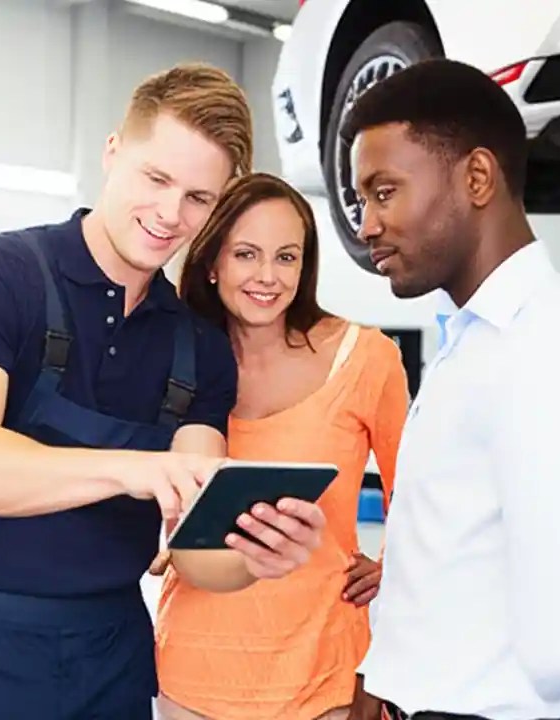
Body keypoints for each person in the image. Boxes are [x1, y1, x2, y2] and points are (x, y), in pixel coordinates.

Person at [0, 63, 329, 720]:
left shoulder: (199, 347)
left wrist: (259, 552)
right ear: (112, 153)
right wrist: (138, 469)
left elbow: (197, 544)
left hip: (115, 658)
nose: (169, 214)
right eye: (156, 178)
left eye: (198, 198)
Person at [341, 59, 560, 720]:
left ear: (477, 177)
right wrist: (384, 675)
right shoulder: (476, 340)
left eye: (384, 190)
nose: (366, 223)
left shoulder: (553, 346)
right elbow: (449, 549)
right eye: (362, 199)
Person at [150, 172, 410, 720]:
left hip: (320, 666)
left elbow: (416, 491)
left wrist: (393, 564)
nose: (267, 277)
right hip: (195, 663)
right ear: (213, 262)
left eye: (286, 257)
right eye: (246, 254)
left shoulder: (366, 358)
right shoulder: (177, 363)